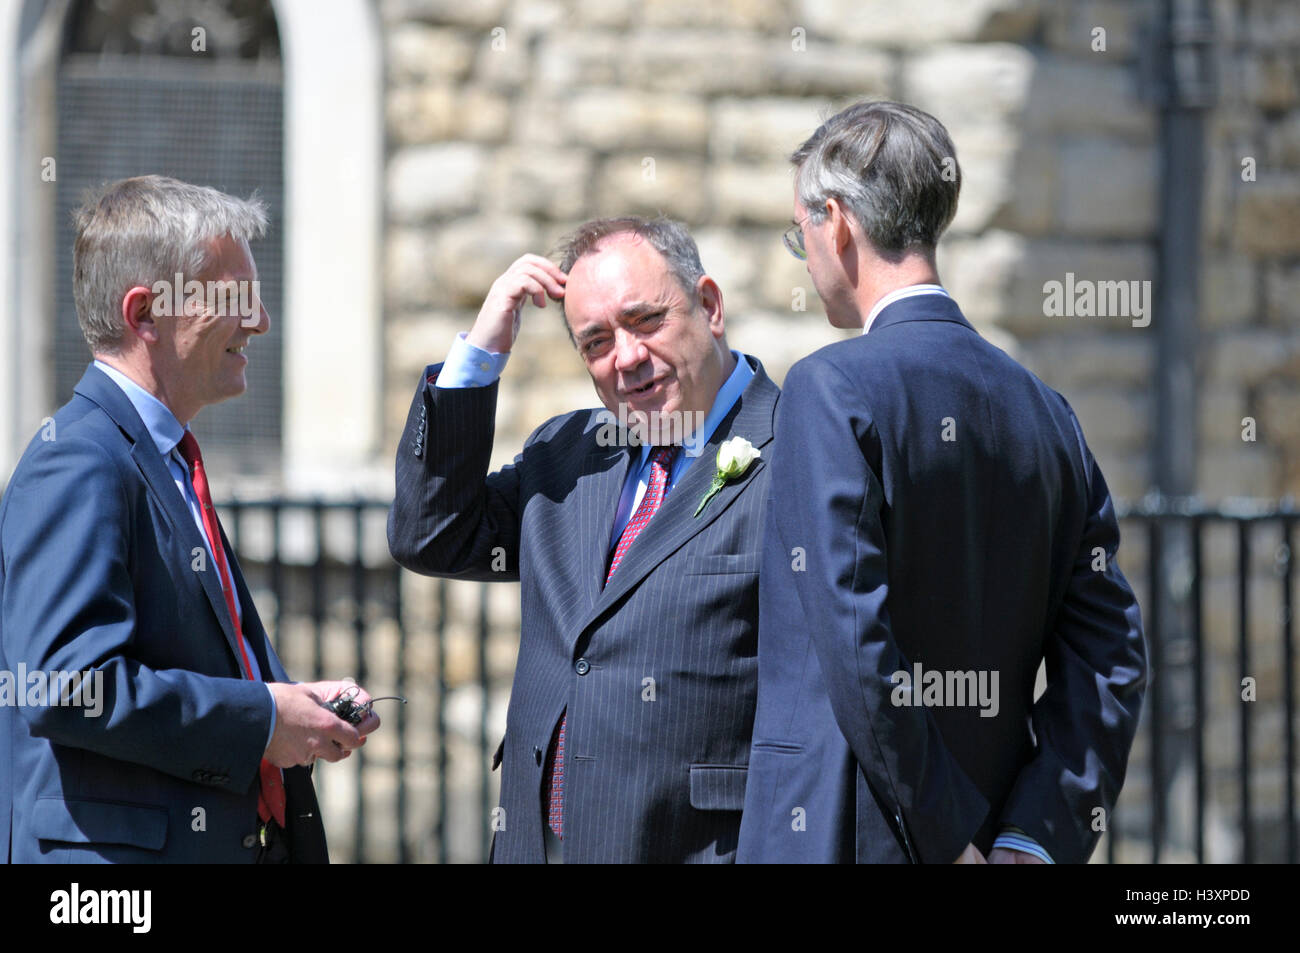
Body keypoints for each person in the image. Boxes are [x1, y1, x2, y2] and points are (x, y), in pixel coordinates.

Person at [737, 101, 1147, 864]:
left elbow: (860, 641)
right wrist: (1035, 834)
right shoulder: (1048, 412)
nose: (807, 256)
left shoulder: (830, 388)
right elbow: (1111, 656)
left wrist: (946, 835)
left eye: (800, 236)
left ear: (837, 222)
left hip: (844, 836)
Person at [0, 175, 379, 863]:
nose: (260, 320)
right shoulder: (79, 461)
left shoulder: (164, 455)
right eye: (234, 298)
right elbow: (67, 685)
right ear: (145, 313)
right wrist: (262, 719)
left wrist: (291, 703)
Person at [388, 216, 778, 863]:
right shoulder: (567, 454)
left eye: (646, 320)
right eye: (595, 341)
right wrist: (480, 355)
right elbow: (428, 534)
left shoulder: (797, 451)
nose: (624, 358)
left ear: (709, 305)